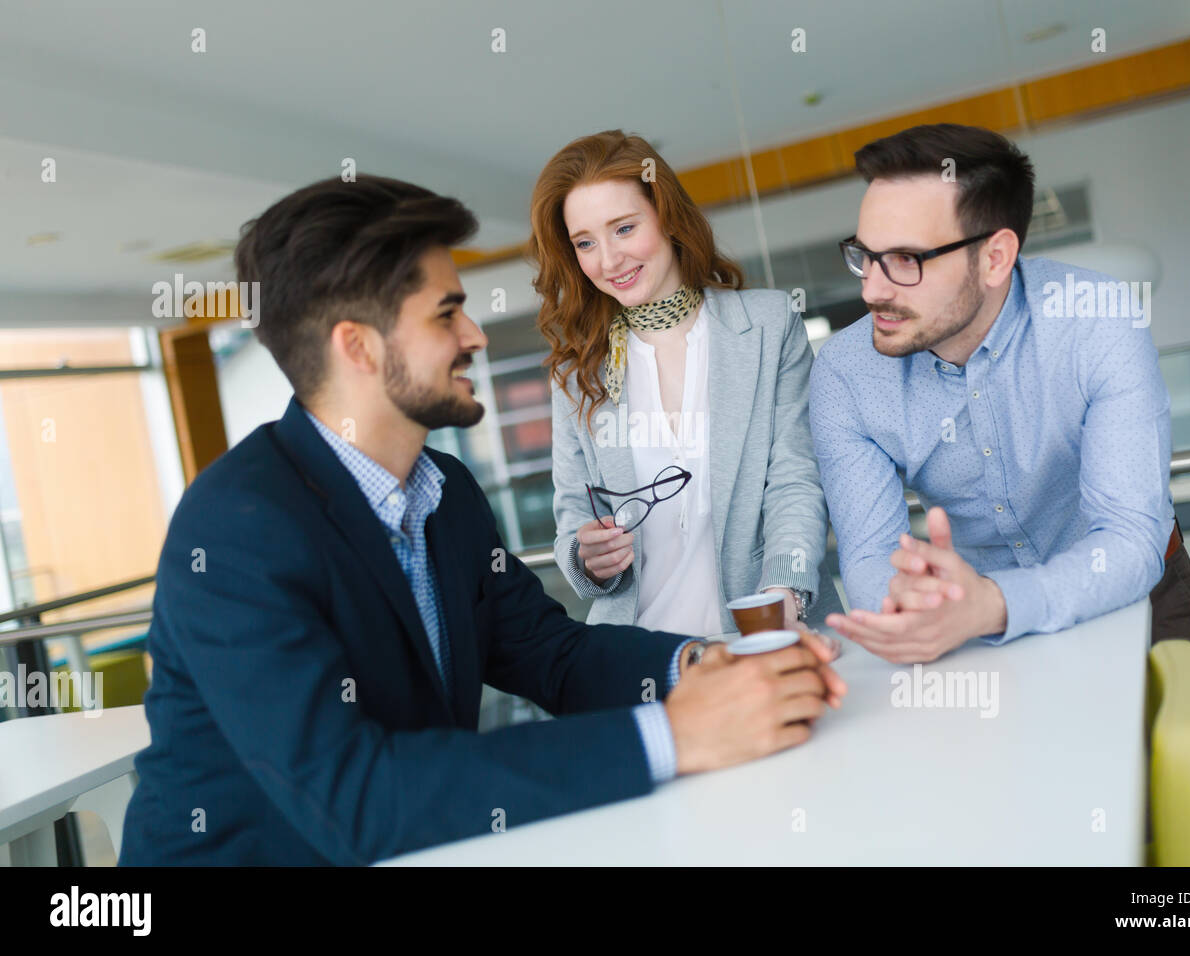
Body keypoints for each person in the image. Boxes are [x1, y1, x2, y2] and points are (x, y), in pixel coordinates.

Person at [119, 174, 845, 866]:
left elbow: (549, 654)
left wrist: (694, 664)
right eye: (446, 313)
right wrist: (674, 735)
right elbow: (354, 797)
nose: (477, 335)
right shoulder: (236, 529)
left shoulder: (447, 492)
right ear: (358, 346)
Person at [809, 123, 1190, 665]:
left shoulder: (1097, 320)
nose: (871, 289)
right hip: (971, 630)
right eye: (865, 254)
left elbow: (1128, 540)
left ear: (995, 258)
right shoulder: (844, 371)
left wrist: (996, 604)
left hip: (1138, 597)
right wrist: (915, 602)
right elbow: (867, 557)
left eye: (907, 260)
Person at [532, 130, 842, 637]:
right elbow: (572, 520)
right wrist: (588, 560)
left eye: (624, 228)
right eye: (585, 243)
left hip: (765, 630)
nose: (608, 260)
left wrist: (781, 600)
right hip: (638, 652)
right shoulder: (576, 374)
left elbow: (794, 478)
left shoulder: (767, 325)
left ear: (668, 218)